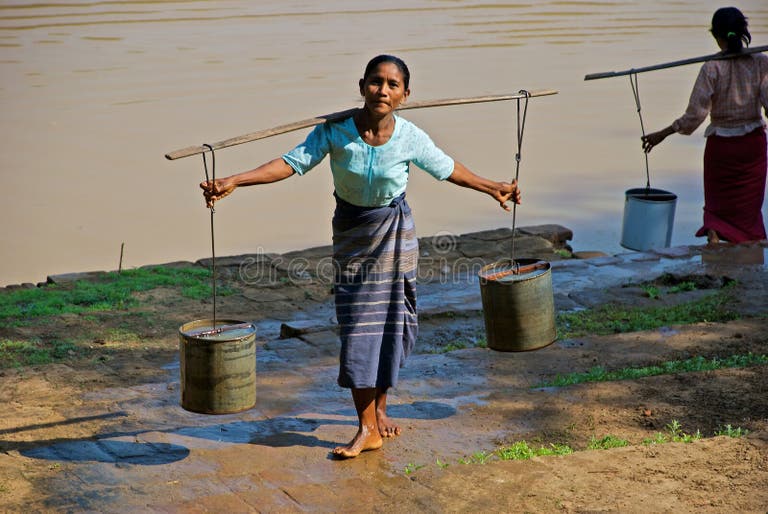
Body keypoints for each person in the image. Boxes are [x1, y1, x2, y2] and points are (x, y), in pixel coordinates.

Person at [200, 54, 521, 459]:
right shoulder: (335, 131)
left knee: (390, 322)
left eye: (392, 84)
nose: (382, 90)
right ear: (362, 85)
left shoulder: (410, 137)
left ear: (405, 94)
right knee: (357, 328)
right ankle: (366, 427)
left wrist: (492, 187)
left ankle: (378, 413)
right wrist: (234, 180)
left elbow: (448, 169)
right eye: (375, 82)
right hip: (352, 235)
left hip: (395, 234)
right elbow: (289, 163)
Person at [642, 7, 768, 245]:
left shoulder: (712, 68)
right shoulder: (761, 63)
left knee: (718, 209)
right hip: (752, 147)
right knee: (747, 212)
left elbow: (694, 116)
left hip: (722, 149)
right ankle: (748, 252)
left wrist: (664, 133)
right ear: (743, 33)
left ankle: (714, 239)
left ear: (716, 36)